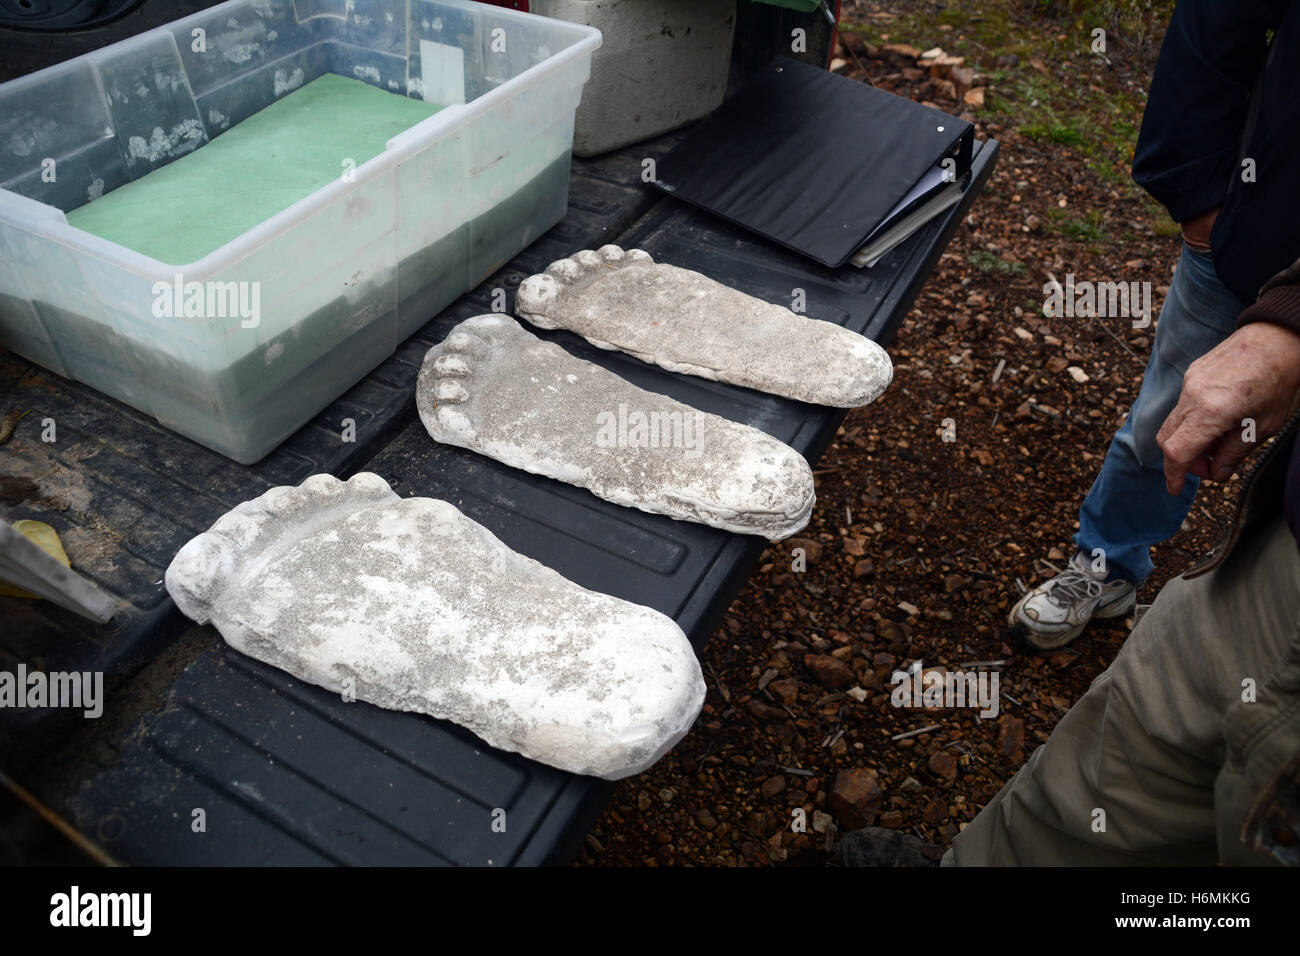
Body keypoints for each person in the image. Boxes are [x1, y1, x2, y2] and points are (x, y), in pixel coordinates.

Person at [1008, 0, 1300, 649]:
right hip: (1255, 244)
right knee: (1169, 415)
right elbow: (1216, 20)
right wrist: (1197, 197)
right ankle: (1109, 563)